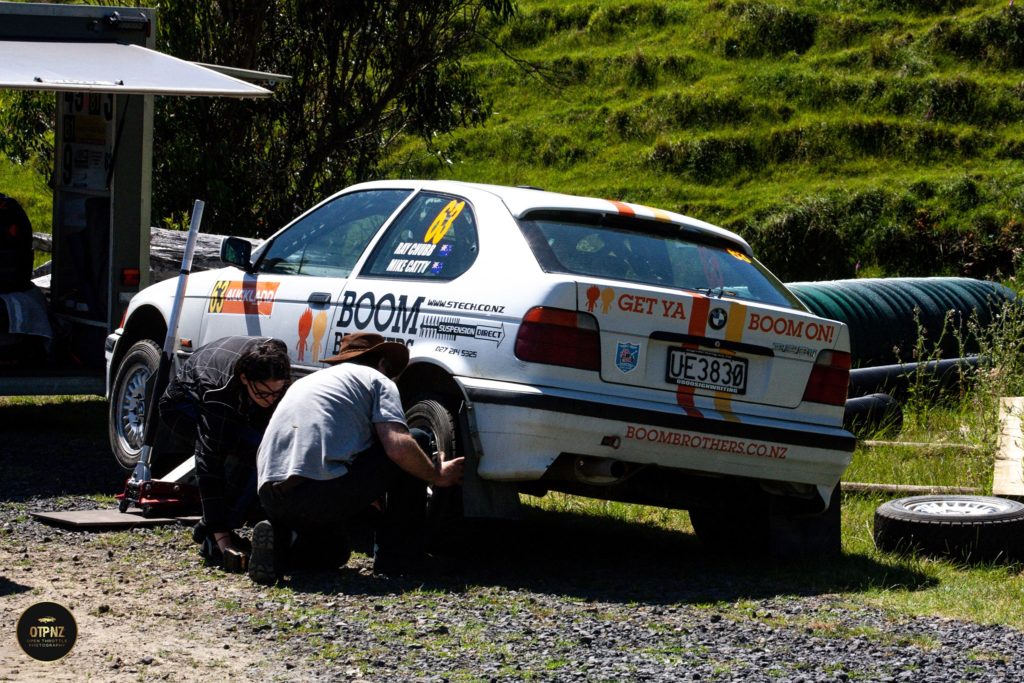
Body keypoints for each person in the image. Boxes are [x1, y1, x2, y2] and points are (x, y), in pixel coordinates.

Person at [250, 332, 464, 585]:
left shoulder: (310, 381)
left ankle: (280, 544)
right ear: (382, 363)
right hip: (317, 493)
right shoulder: (377, 380)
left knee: (334, 552)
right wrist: (436, 474)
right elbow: (397, 446)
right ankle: (400, 557)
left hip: (270, 495)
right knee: (415, 439)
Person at [159, 336, 291, 571]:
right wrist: (223, 536)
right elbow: (208, 463)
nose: (271, 400)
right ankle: (216, 535)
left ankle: (214, 523)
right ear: (244, 379)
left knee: (263, 449)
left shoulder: (275, 358)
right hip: (182, 405)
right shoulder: (218, 395)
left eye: (276, 393)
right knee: (232, 450)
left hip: (229, 382)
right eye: (263, 394)